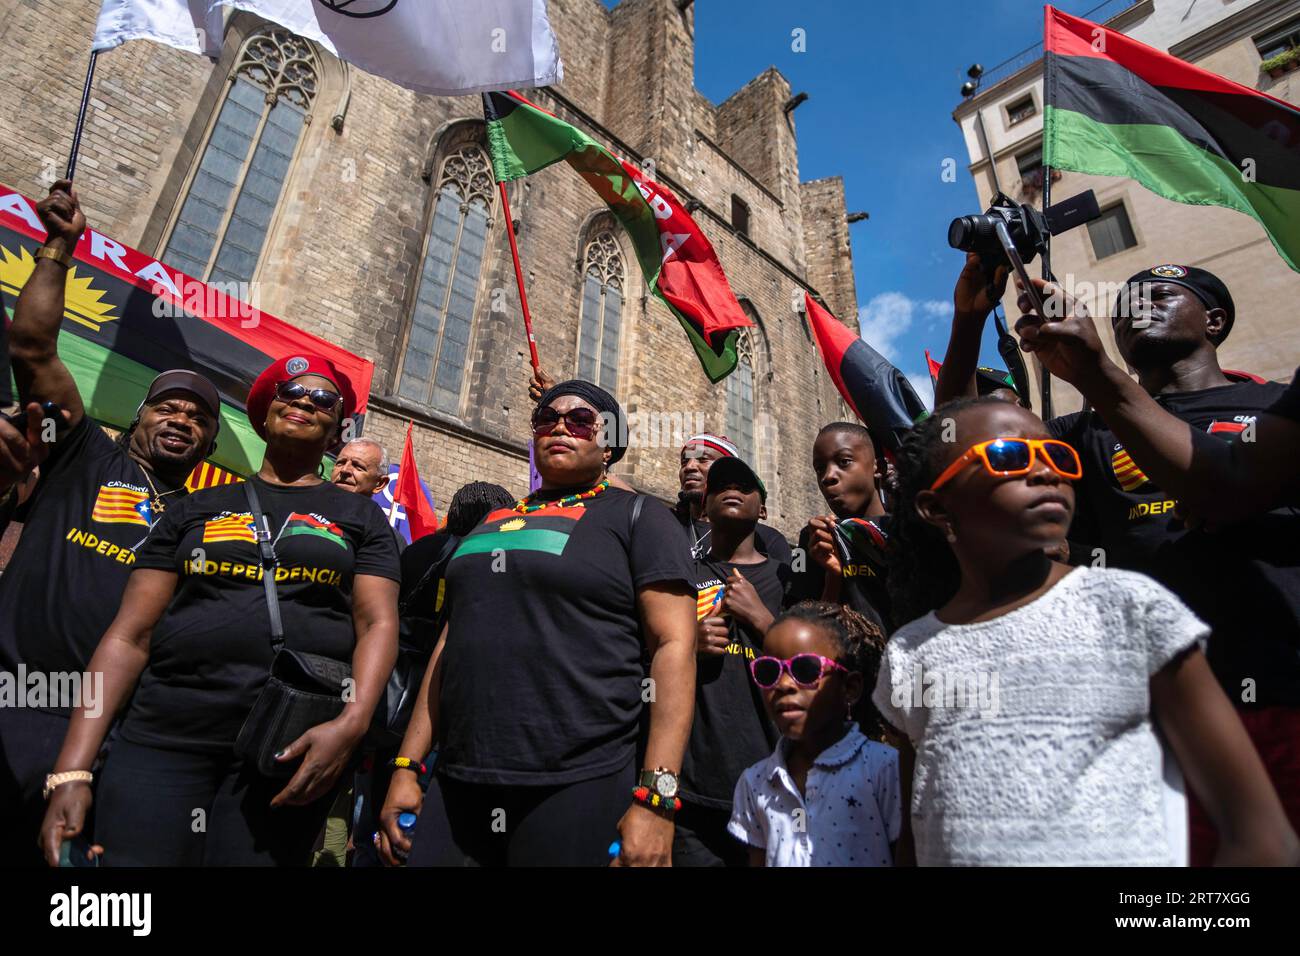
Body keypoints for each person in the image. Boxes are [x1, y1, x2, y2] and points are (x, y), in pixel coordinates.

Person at [937, 258, 1300, 864]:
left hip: (1281, 700)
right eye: (1124, 304)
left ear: (1214, 320)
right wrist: (970, 317)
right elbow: (958, 443)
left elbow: (1228, 487)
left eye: (1160, 294)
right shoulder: (1085, 433)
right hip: (1147, 731)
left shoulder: (1278, 410)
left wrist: (1097, 372)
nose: (1137, 307)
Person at [876, 395, 1298, 866]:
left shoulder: (1129, 609)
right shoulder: (910, 653)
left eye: (1058, 456)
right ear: (936, 508)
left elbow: (1259, 834)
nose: (1046, 471)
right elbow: (917, 830)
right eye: (1010, 457)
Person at [39, 354, 401, 866]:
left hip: (287, 750)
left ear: (336, 428)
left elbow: (377, 622)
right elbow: (128, 636)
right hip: (162, 739)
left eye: (322, 399)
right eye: (290, 394)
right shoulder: (194, 508)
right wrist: (73, 770)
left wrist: (353, 722)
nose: (303, 401)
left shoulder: (361, 518)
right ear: (264, 415)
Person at [378, 380, 696, 867]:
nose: (561, 427)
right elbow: (449, 642)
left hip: (576, 779)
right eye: (547, 419)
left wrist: (657, 797)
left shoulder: (641, 517)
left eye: (581, 420)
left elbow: (675, 646)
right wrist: (408, 765)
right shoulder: (491, 522)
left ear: (608, 444)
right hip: (459, 776)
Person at [0, 181, 222, 866]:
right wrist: (58, 249)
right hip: (11, 694)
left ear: (210, 444)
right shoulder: (84, 454)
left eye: (197, 417)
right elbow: (33, 349)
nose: (181, 418)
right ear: (137, 419)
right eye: (168, 408)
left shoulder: (203, 523)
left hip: (99, 734)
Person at [348, 480, 514, 867]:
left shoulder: (418, 550)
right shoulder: (479, 557)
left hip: (392, 694)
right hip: (438, 701)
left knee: (373, 800)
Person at [728, 601, 898, 867]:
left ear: (850, 688)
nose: (784, 684)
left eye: (805, 670)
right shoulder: (755, 783)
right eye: (768, 671)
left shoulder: (883, 770)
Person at [678, 456, 785, 866]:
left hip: (772, 784)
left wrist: (761, 619)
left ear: (764, 508)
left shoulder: (788, 576)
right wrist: (689, 643)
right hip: (693, 790)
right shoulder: (680, 572)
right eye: (719, 486)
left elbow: (814, 666)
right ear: (703, 508)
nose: (731, 490)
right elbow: (642, 652)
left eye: (744, 484)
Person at [785, 422, 893, 630]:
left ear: (878, 468)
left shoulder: (906, 531)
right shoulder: (813, 539)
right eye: (820, 469)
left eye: (844, 462)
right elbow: (803, 631)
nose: (828, 477)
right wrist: (833, 577)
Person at [675, 433, 792, 565]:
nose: (689, 467)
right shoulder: (665, 524)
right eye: (684, 462)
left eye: (702, 459)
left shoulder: (766, 539)